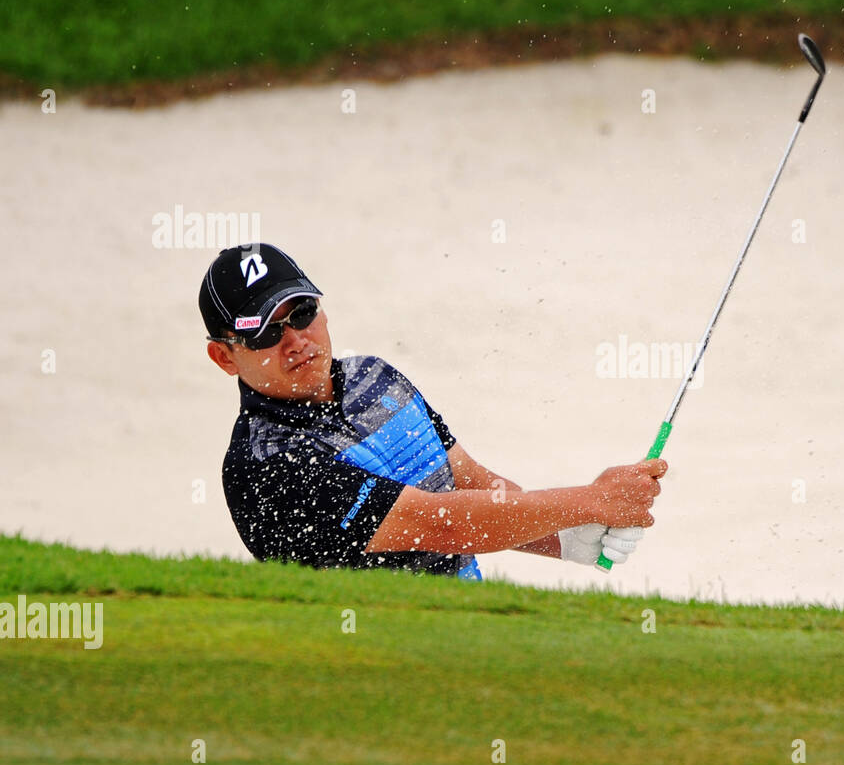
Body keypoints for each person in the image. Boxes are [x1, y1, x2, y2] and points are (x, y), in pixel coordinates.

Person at [199, 243, 665, 578]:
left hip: (469, 624)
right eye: (264, 333)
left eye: (301, 313)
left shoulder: (375, 376)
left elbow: (473, 483)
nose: (296, 341)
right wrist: (590, 500)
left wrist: (561, 537)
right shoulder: (264, 464)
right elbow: (437, 524)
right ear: (224, 356)